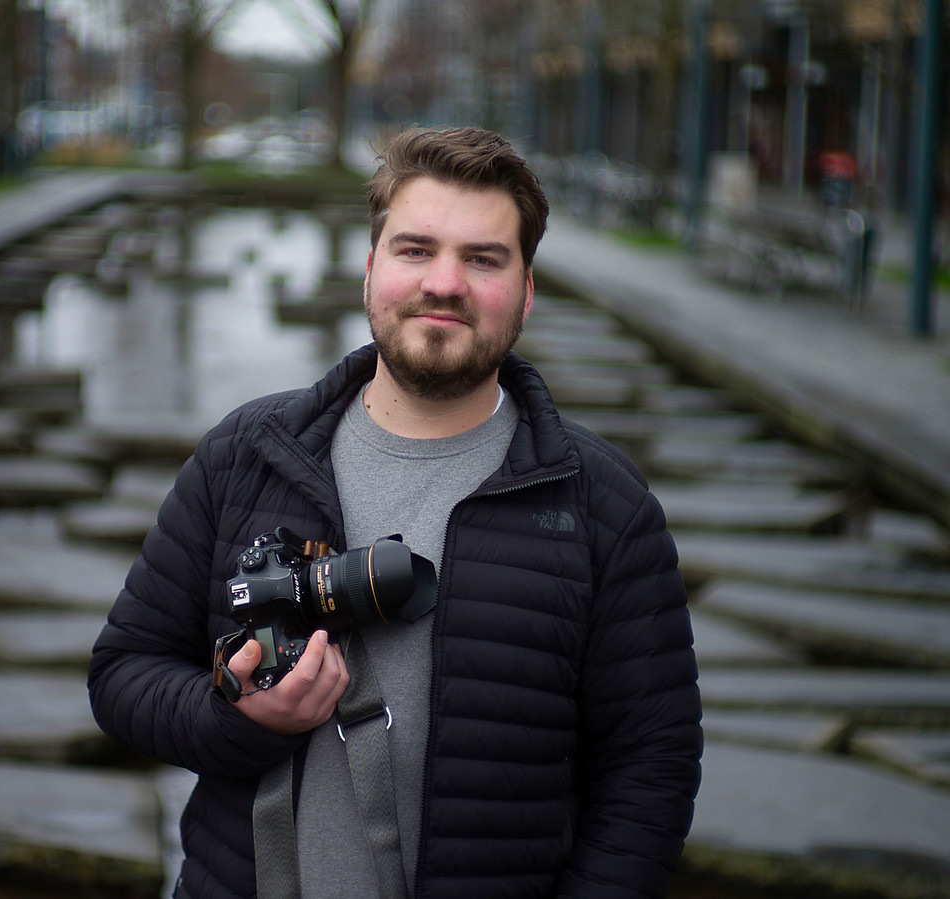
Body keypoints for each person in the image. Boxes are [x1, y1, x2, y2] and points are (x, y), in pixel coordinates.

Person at [88, 126, 702, 899]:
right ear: (371, 268)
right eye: (416, 249)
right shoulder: (245, 453)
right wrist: (236, 717)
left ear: (526, 289)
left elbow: (652, 772)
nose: (444, 282)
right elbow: (122, 674)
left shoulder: (606, 507)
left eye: (483, 258)